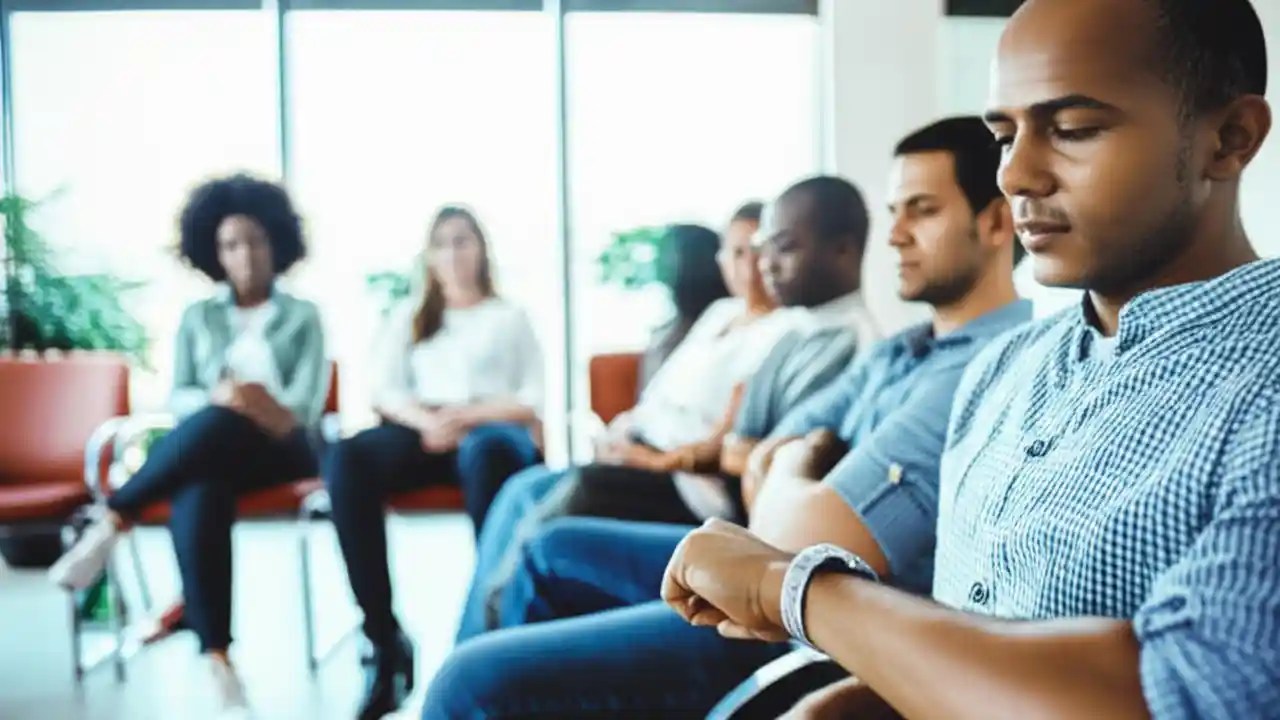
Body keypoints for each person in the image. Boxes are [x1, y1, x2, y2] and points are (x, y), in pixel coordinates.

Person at [664, 2, 1280, 719]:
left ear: (1230, 139)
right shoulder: (1002, 373)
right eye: (1004, 135)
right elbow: (974, 630)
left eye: (1074, 130)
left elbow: (1182, 695)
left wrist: (798, 589)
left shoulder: (1262, 385)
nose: (1016, 175)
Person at [422, 115, 1032, 718]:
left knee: (465, 685)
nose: (894, 234)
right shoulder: (901, 349)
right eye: (895, 211)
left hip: (821, 629)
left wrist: (786, 464)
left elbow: (800, 531)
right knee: (549, 545)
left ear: (997, 221)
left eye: (921, 210)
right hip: (767, 564)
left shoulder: (983, 362)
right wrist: (798, 466)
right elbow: (766, 450)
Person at [453, 181, 879, 643]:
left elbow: (754, 451)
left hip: (713, 501)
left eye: (783, 248)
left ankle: (488, 630)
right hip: (686, 466)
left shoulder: (839, 342)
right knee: (522, 489)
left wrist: (668, 457)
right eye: (757, 249)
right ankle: (473, 641)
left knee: (556, 526)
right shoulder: (800, 326)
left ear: (842, 250)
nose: (765, 264)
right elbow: (739, 437)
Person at [48, 174, 328, 716]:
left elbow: (307, 407)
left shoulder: (303, 317)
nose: (244, 255)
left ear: (276, 244)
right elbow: (178, 395)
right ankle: (218, 657)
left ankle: (113, 519)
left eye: (254, 241)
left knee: (220, 423)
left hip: (285, 448)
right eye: (230, 244)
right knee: (203, 481)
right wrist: (220, 397)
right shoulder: (198, 317)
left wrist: (253, 403)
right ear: (213, 252)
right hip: (218, 448)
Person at [322, 205, 544, 720]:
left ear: (482, 249)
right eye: (442, 243)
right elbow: (385, 391)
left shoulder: (509, 316)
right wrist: (429, 423)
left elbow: (530, 399)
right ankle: (383, 636)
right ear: (428, 255)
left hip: (493, 432)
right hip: (425, 429)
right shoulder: (409, 317)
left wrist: (466, 417)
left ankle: (492, 626)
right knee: (348, 457)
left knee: (485, 452)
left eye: (463, 241)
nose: (453, 253)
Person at [637, 203, 758, 391]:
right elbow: (661, 389)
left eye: (757, 251)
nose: (749, 266)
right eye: (736, 252)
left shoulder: (783, 327)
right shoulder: (719, 312)